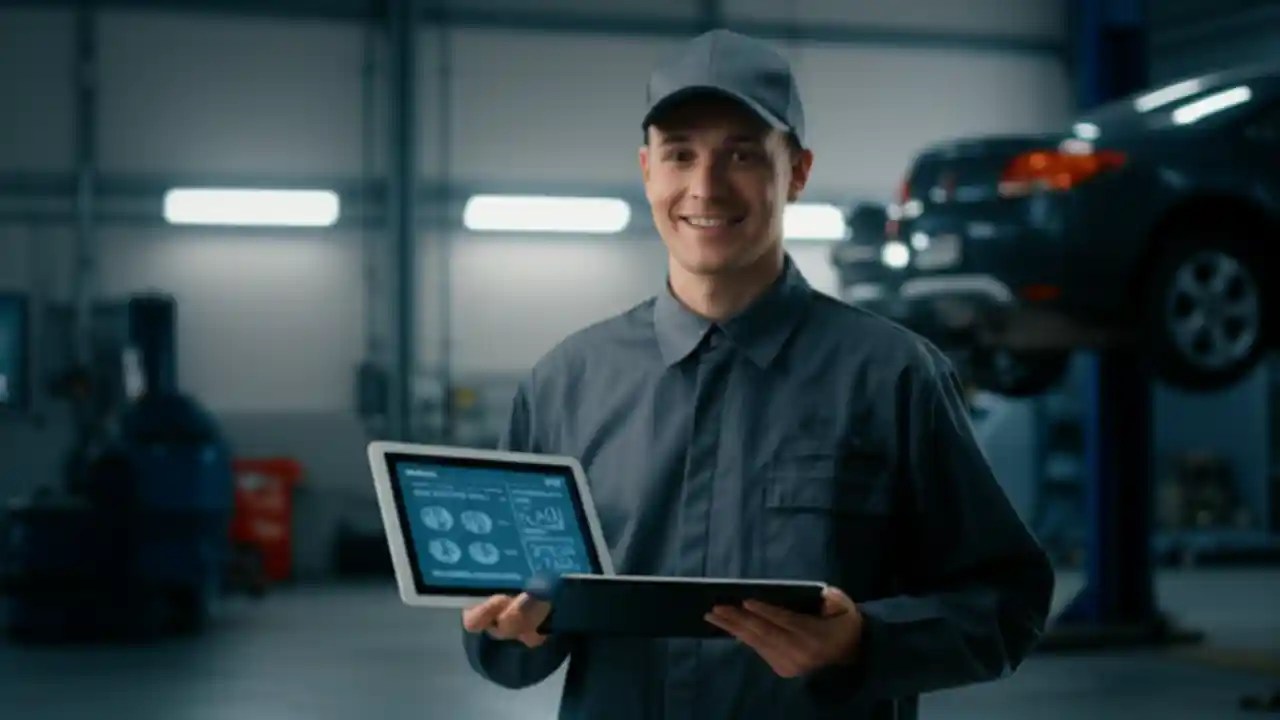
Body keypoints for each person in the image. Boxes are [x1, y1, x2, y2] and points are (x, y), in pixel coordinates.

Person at [461, 28, 1054, 720]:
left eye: (742, 154)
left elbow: (1006, 600)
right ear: (647, 169)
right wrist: (512, 631)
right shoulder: (566, 383)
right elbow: (502, 627)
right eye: (680, 155)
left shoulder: (895, 377)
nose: (705, 187)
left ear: (797, 171)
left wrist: (864, 640)